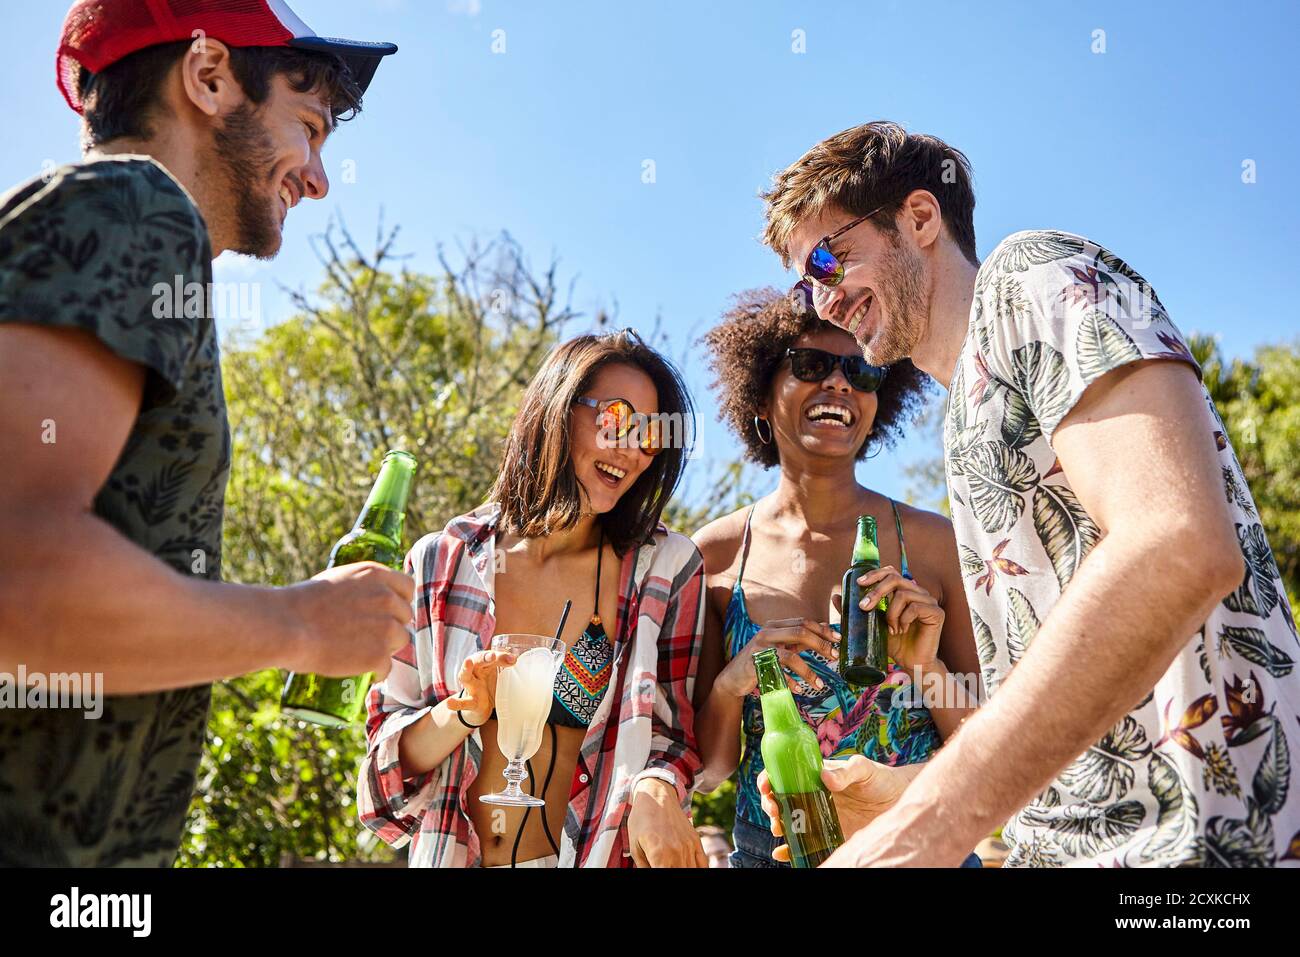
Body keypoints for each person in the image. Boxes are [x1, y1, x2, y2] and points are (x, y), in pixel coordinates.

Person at [756, 119, 1300, 867]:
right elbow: (1082, 746)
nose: (822, 298)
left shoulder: (1030, 274)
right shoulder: (966, 420)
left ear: (919, 218)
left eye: (829, 256)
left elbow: (1178, 543)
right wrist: (906, 797)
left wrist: (929, 825)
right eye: (804, 281)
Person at [0, 0, 403, 867]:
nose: (319, 176)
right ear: (210, 75)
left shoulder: (131, 230)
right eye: (309, 126)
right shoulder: (136, 203)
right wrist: (301, 623)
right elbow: (14, 570)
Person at [358, 330, 709, 868]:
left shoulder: (665, 568)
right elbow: (384, 772)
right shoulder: (441, 563)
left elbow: (672, 739)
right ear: (557, 408)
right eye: (615, 419)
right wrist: (460, 713)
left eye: (649, 434)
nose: (632, 449)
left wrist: (656, 787)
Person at [692, 287, 982, 867]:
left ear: (879, 401)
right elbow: (708, 771)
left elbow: (984, 740)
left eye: (862, 371)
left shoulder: (933, 543)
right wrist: (730, 686)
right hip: (768, 850)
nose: (840, 383)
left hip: (917, 845)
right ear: (760, 397)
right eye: (811, 365)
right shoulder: (718, 554)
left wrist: (926, 667)